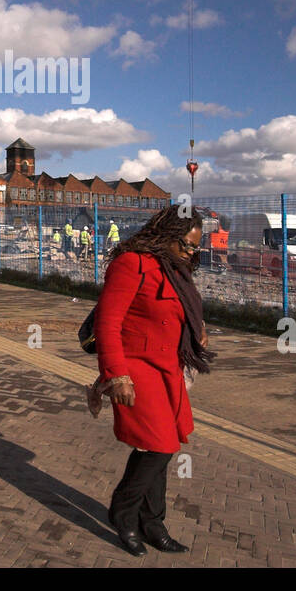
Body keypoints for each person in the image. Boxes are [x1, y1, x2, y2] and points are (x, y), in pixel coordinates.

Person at [92, 205, 214, 556]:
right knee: (160, 444)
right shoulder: (132, 263)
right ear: (166, 236)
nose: (192, 253)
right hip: (136, 367)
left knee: (162, 442)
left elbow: (180, 310)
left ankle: (153, 522)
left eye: (195, 247)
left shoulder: (175, 268)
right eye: (187, 245)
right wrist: (116, 376)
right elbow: (108, 324)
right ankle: (123, 512)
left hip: (167, 368)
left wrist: (197, 328)